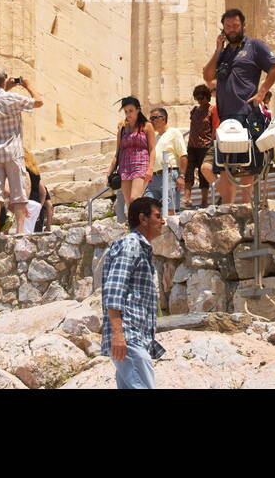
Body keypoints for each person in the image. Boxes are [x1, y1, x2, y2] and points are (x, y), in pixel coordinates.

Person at [202, 8, 275, 201]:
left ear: (243, 26)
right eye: (228, 26)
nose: (231, 29)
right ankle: (227, 210)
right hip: (226, 117)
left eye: (235, 25)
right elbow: (207, 76)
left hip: (247, 114)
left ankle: (248, 209)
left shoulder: (254, 46)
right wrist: (217, 50)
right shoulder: (223, 53)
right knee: (225, 166)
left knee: (248, 166)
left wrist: (262, 92)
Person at [101, 196, 167, 389]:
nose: (162, 220)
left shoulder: (141, 248)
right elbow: (114, 291)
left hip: (135, 337)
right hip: (129, 337)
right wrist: (119, 335)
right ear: (143, 219)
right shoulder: (131, 244)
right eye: (157, 216)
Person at [0, 68, 44, 235]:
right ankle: (20, 229)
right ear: (4, 80)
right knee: (18, 193)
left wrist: (4, 86)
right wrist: (28, 86)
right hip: (13, 151)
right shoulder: (11, 98)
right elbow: (38, 102)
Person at [108, 96, 157, 207]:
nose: (128, 114)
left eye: (131, 110)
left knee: (135, 199)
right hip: (125, 167)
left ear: (138, 110)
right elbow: (118, 152)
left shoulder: (147, 126)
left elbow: (152, 149)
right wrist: (109, 173)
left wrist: (150, 168)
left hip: (141, 165)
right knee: (129, 204)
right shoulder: (122, 129)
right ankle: (135, 224)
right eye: (126, 111)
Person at [147, 107, 187, 212]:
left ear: (163, 118)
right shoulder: (153, 137)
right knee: (150, 210)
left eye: (153, 118)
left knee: (170, 211)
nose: (151, 121)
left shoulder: (174, 132)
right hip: (153, 179)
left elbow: (183, 155)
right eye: (150, 119)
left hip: (169, 175)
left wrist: (182, 176)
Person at [183, 85, 217, 209]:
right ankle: (186, 198)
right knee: (189, 173)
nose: (199, 100)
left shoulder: (212, 110)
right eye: (197, 98)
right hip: (192, 146)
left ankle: (204, 201)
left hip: (205, 146)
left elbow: (214, 128)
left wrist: (211, 143)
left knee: (203, 175)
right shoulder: (194, 110)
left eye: (201, 97)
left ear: (207, 97)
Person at [23, 148, 53, 232]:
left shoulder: (24, 170)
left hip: (28, 205)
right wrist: (39, 208)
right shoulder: (35, 171)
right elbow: (43, 191)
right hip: (36, 205)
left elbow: (28, 186)